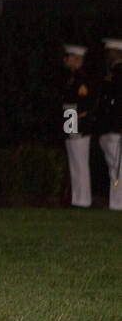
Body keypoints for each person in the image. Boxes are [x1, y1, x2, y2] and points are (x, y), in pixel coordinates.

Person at [61, 43, 92, 208]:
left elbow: (80, 104)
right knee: (74, 162)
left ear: (77, 59)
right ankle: (76, 198)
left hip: (77, 123)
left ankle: (83, 199)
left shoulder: (81, 78)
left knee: (80, 162)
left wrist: (73, 126)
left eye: (69, 57)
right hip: (70, 121)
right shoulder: (72, 78)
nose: (66, 60)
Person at [97, 37, 122, 210]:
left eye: (110, 52)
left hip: (116, 128)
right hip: (109, 128)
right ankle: (116, 203)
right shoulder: (111, 74)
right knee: (115, 168)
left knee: (119, 168)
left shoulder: (118, 73)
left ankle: (119, 203)